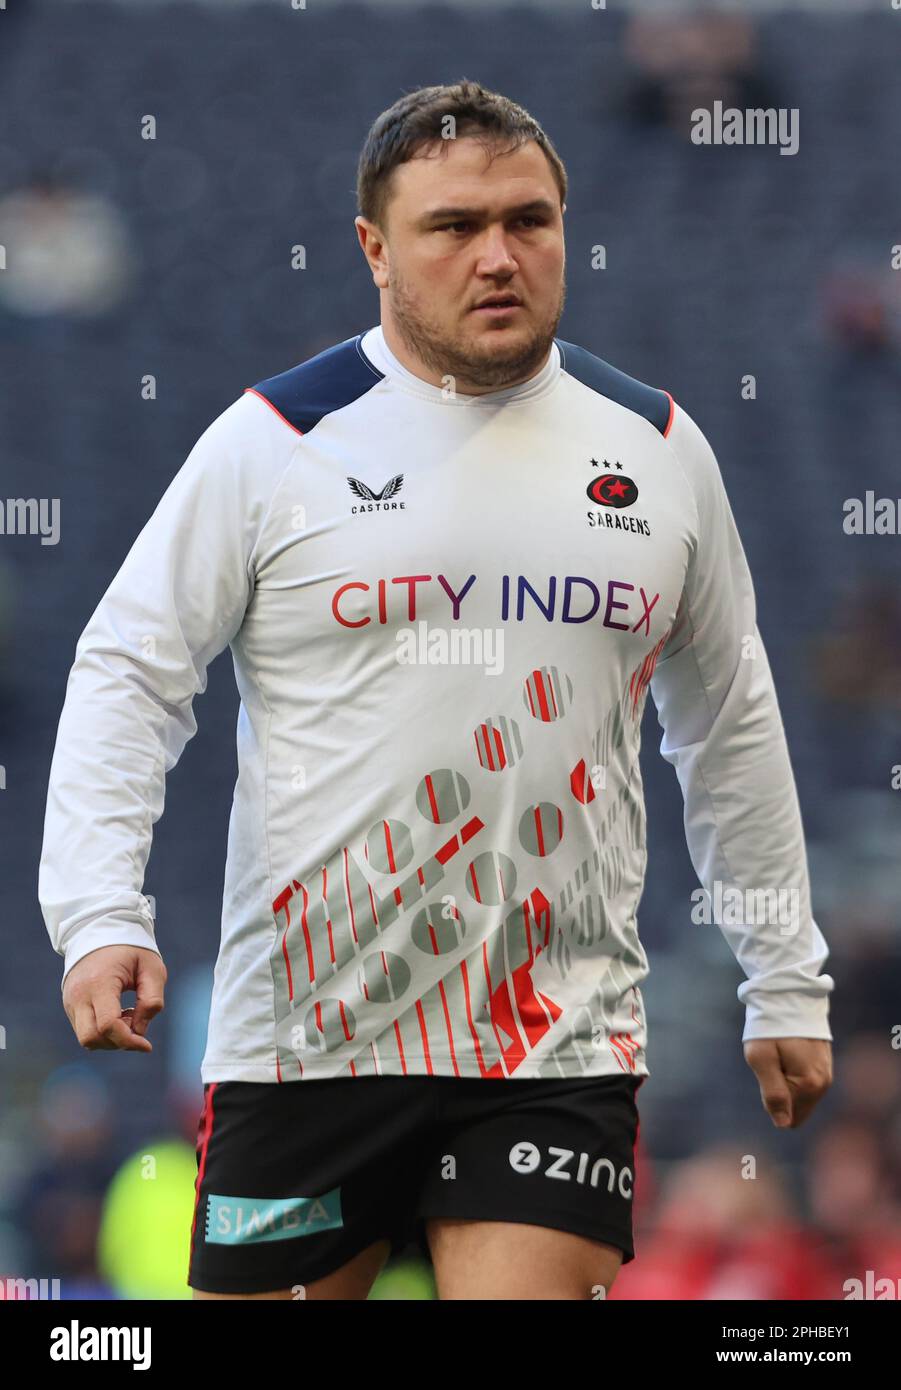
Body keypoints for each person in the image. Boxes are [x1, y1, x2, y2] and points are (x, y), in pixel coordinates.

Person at [38, 80, 834, 1301]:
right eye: (454, 228)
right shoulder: (274, 441)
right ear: (374, 248)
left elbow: (728, 724)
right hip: (305, 1038)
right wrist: (99, 913)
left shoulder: (660, 448)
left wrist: (782, 973)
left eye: (530, 220)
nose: (500, 256)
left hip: (551, 1039)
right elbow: (128, 674)